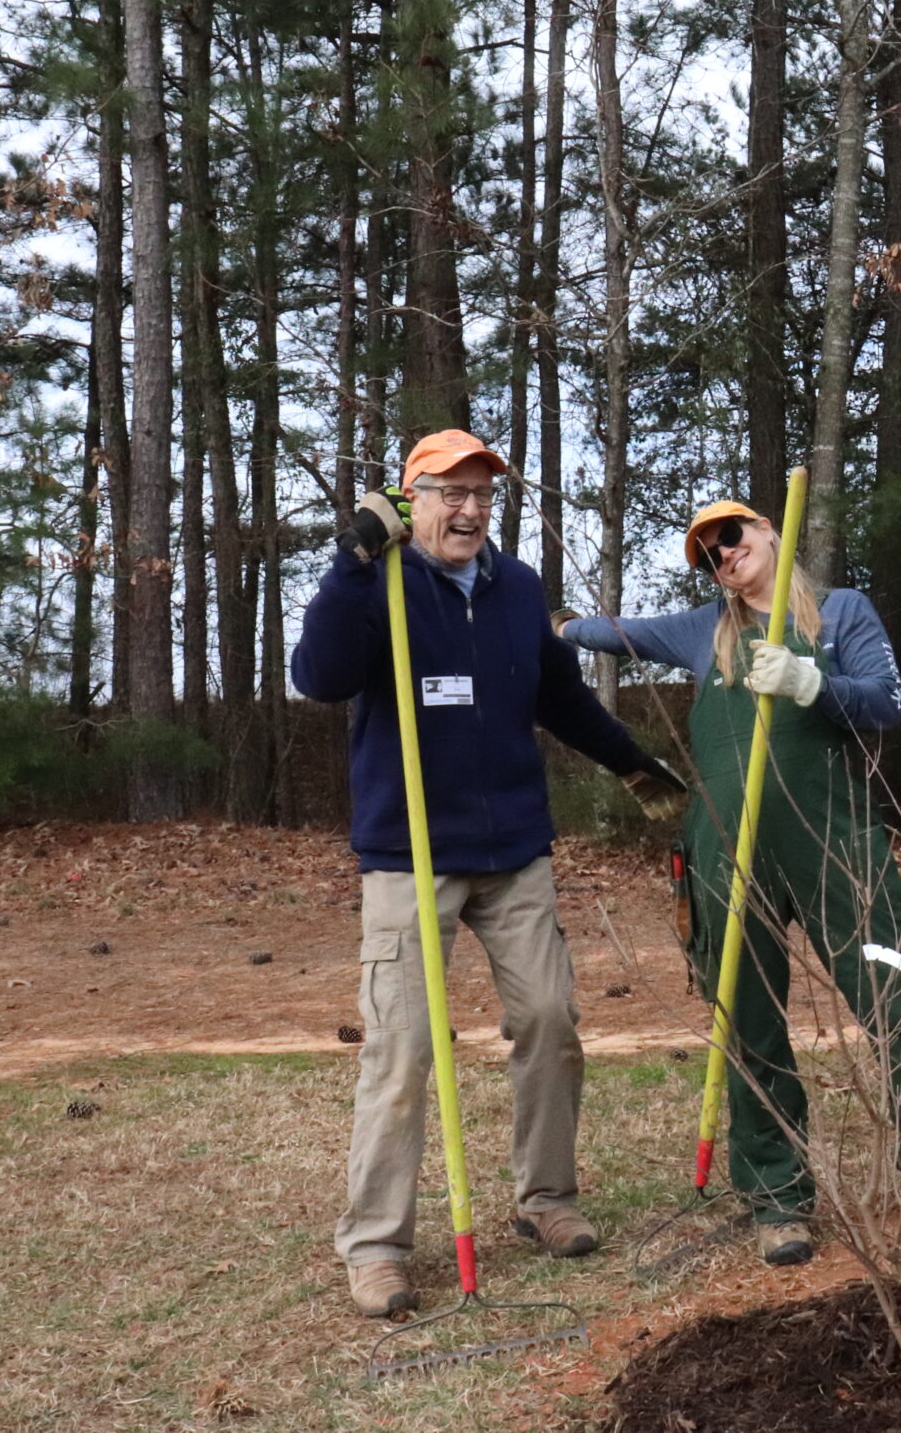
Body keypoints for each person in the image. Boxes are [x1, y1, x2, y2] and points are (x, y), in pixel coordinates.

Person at [292, 428, 687, 1320]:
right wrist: (354, 559)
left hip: (513, 850)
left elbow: (559, 694)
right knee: (402, 1047)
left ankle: (546, 1200)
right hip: (410, 850)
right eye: (448, 492)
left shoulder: (516, 590)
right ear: (410, 499)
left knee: (550, 1017)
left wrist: (627, 762)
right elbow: (318, 676)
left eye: (481, 493)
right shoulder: (381, 581)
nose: (468, 509)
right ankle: (378, 1245)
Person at [559, 499, 901, 1269]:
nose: (723, 555)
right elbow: (621, 632)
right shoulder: (701, 631)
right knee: (750, 1028)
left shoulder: (840, 610)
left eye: (732, 537)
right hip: (725, 852)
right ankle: (778, 1196)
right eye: (708, 554)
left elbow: (888, 700)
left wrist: (813, 681)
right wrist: (560, 627)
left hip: (836, 841)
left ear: (770, 532)